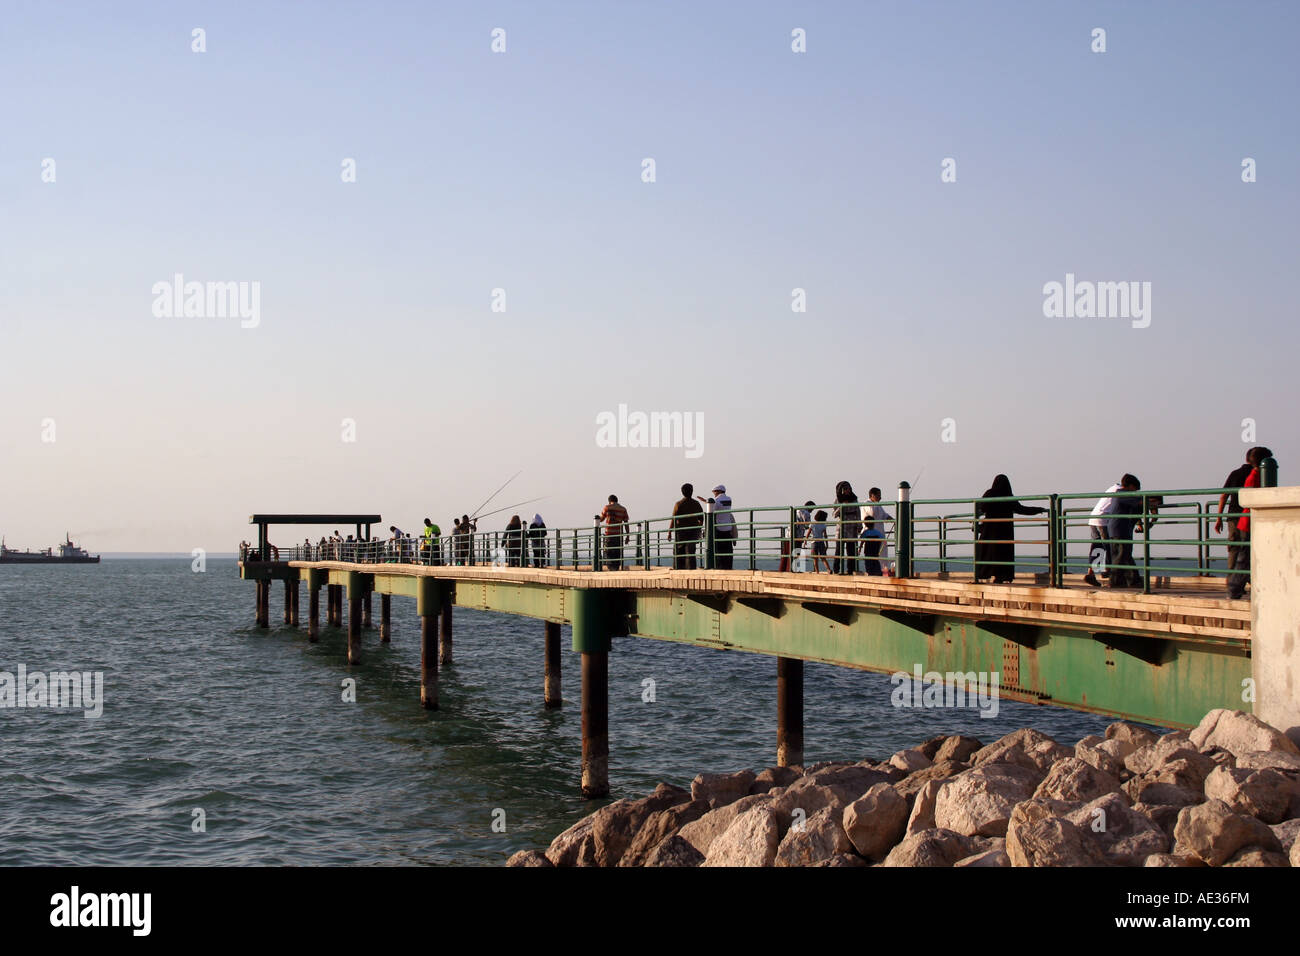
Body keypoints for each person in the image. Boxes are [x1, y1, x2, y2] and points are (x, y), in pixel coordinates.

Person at [973, 474, 1046, 584]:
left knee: (987, 552)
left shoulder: (990, 493)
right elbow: (1021, 509)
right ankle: (1001, 576)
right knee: (1003, 554)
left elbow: (981, 507)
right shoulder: (1008, 496)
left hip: (990, 530)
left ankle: (983, 574)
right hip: (1004, 531)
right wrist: (1038, 509)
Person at [1219, 447, 1270, 599]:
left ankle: (1235, 585)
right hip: (1247, 520)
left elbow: (1224, 495)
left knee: (1239, 552)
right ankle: (1234, 589)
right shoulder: (1254, 477)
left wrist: (1219, 517)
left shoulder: (1237, 474)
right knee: (1244, 556)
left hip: (1237, 518)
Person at [1083, 474, 1140, 586]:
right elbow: (1134, 503)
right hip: (1104, 521)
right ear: (1131, 486)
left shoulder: (1113, 488)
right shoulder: (1121, 492)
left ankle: (1091, 573)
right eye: (1135, 490)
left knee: (1098, 548)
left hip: (1094, 519)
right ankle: (1111, 575)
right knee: (1111, 549)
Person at [697, 484, 736, 569]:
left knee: (719, 551)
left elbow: (711, 510)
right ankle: (728, 566)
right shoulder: (729, 499)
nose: (713, 494)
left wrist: (705, 502)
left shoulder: (717, 500)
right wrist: (706, 501)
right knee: (728, 550)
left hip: (718, 528)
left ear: (718, 491)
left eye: (714, 492)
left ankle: (719, 567)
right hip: (728, 528)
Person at [670, 483, 704, 570]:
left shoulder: (679, 504)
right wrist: (698, 528)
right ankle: (691, 569)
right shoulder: (696, 504)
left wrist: (669, 532)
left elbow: (673, 519)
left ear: (682, 492)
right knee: (691, 551)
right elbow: (701, 518)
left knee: (678, 551)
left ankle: (678, 568)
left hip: (681, 531)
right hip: (693, 531)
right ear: (692, 492)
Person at [861, 488, 893, 576]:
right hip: (870, 534)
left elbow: (884, 515)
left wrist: (892, 519)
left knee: (883, 553)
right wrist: (876, 504)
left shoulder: (878, 505)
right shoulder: (866, 504)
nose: (880, 497)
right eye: (878, 495)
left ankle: (883, 570)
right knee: (871, 554)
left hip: (880, 533)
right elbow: (871, 512)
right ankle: (872, 571)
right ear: (872, 495)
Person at [833, 481, 862, 575]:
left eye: (849, 489)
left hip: (852, 526)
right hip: (841, 527)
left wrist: (859, 525)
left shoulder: (854, 499)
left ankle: (850, 570)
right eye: (845, 489)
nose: (847, 491)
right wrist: (842, 506)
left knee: (851, 551)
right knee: (838, 550)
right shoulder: (837, 500)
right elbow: (834, 514)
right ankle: (836, 570)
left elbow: (858, 512)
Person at [597, 495, 629, 570]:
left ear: (609, 501)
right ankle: (616, 568)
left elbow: (601, 519)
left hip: (609, 534)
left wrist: (597, 518)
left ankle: (610, 568)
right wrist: (627, 536)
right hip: (618, 534)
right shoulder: (623, 509)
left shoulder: (607, 507)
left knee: (608, 551)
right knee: (617, 552)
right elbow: (626, 523)